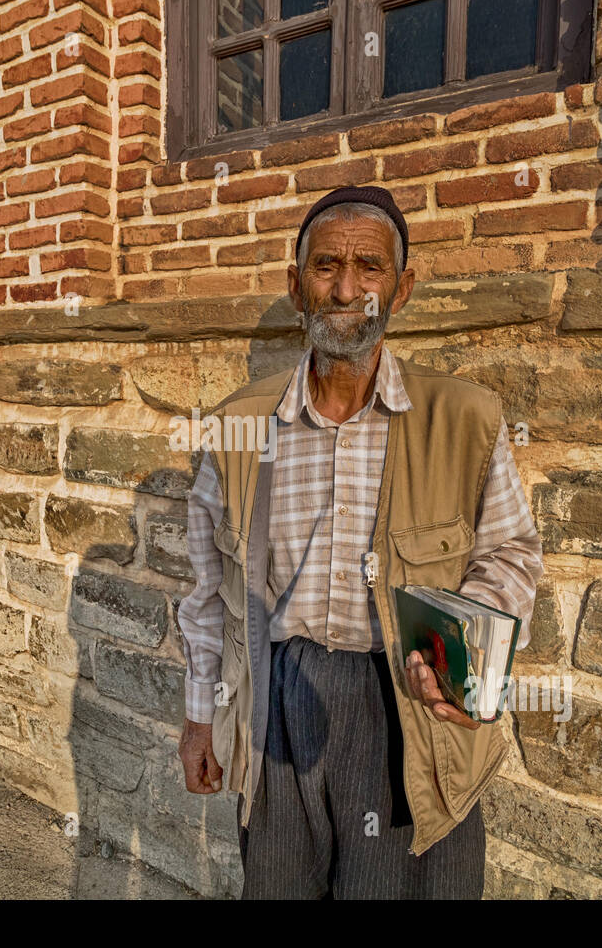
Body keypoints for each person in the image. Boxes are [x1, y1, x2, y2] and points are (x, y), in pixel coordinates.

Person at [176, 185, 544, 899]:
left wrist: (458, 655)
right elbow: (206, 586)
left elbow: (510, 552)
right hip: (280, 704)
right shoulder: (240, 426)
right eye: (326, 266)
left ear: (400, 288)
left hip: (404, 711)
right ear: (296, 286)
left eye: (369, 267)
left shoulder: (463, 418)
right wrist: (199, 715)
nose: (347, 288)